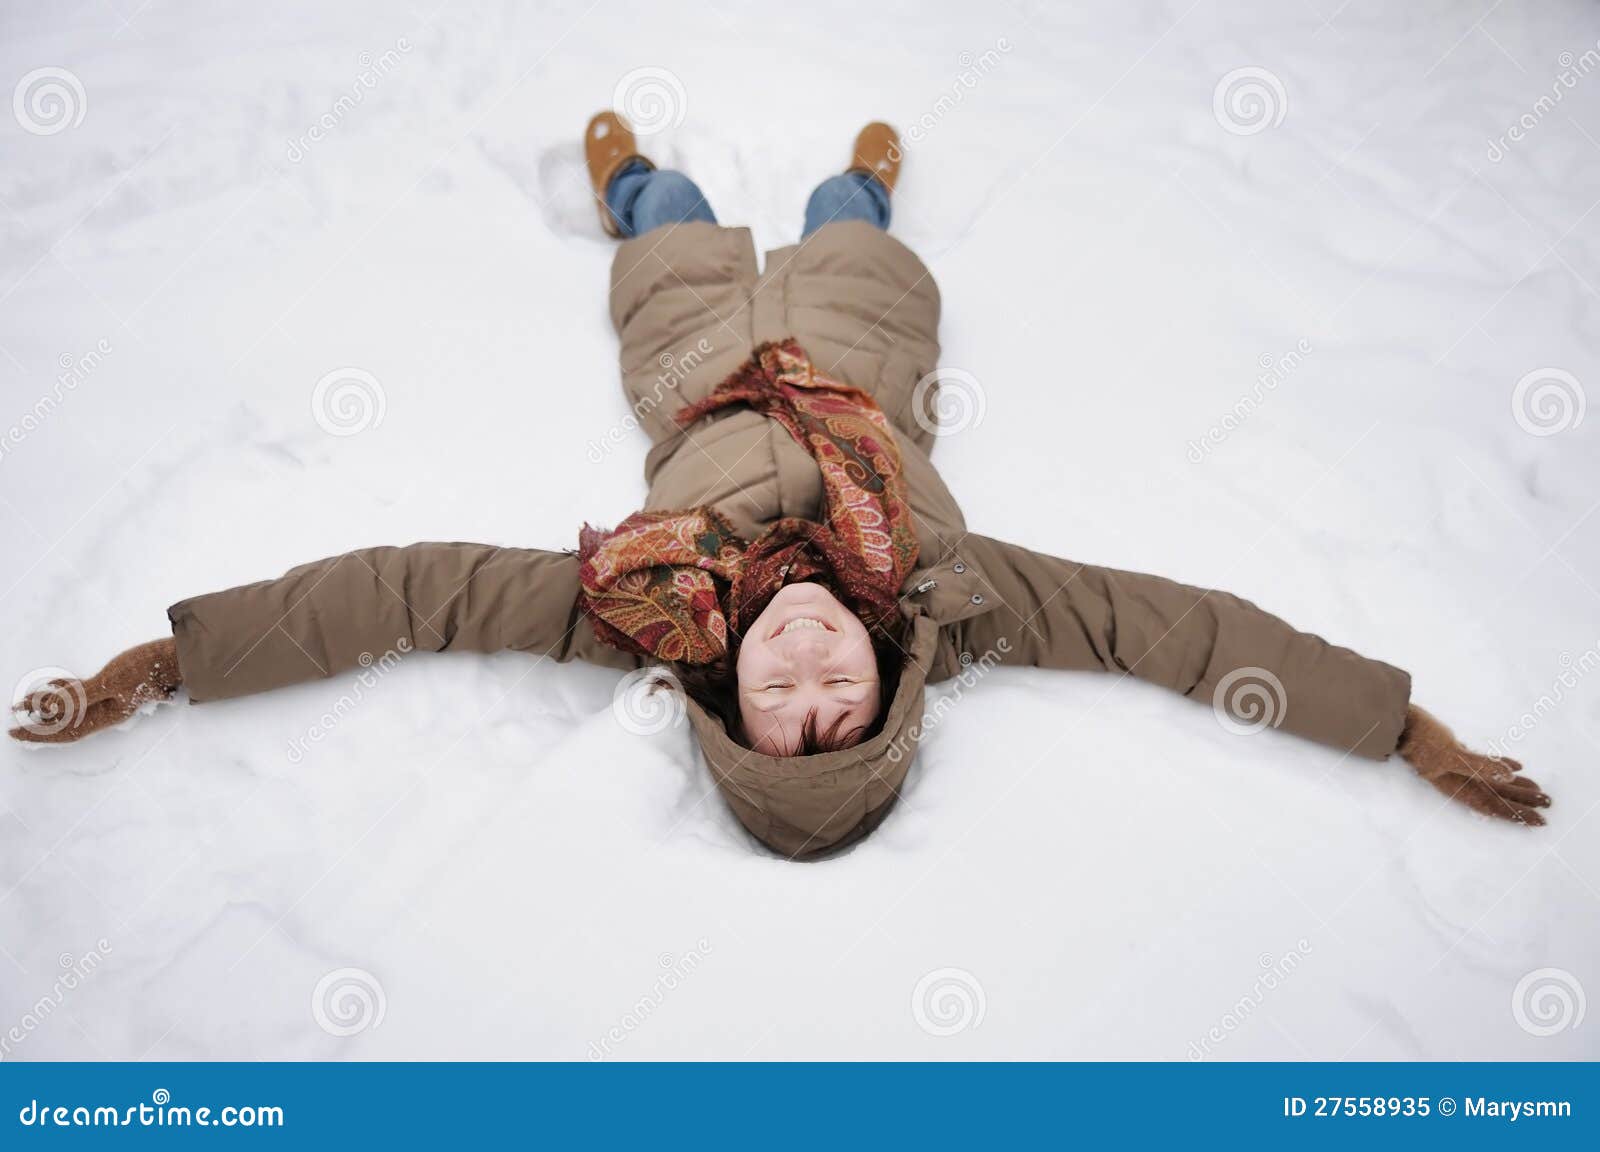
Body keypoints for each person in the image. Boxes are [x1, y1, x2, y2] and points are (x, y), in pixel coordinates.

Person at [8, 113, 1551, 859]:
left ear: (719, 693)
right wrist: (1401, 724)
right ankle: (868, 174)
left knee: (666, 209)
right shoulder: (955, 597)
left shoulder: (639, 605)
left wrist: (167, 660)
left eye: (776, 711)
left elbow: (405, 593)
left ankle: (621, 167)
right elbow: (1177, 629)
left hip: (691, 341)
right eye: (845, 706)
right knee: (845, 205)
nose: (810, 670)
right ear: (887, 682)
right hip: (871, 334)